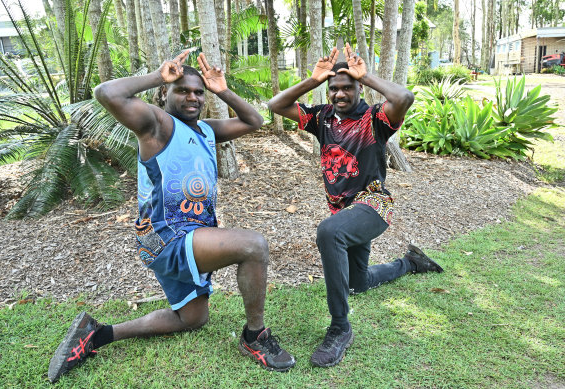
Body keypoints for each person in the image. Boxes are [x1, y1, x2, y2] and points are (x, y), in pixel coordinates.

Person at [47, 51, 295, 383]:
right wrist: (157, 75)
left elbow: (254, 121)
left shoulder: (206, 130)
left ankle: (98, 334)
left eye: (198, 91)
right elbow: (107, 93)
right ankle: (255, 337)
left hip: (191, 234)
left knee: (192, 318)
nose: (192, 97)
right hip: (168, 237)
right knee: (253, 245)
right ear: (165, 94)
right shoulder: (157, 125)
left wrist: (221, 89)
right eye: (182, 90)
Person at [268, 43, 444, 368]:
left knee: (328, 232)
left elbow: (404, 98)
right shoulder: (321, 118)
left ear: (358, 87)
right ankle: (410, 263)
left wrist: (368, 74)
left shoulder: (374, 118)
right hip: (345, 214)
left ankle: (340, 328)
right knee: (357, 282)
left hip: (374, 206)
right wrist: (313, 80)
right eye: (333, 88)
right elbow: (276, 104)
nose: (339, 94)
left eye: (347, 87)